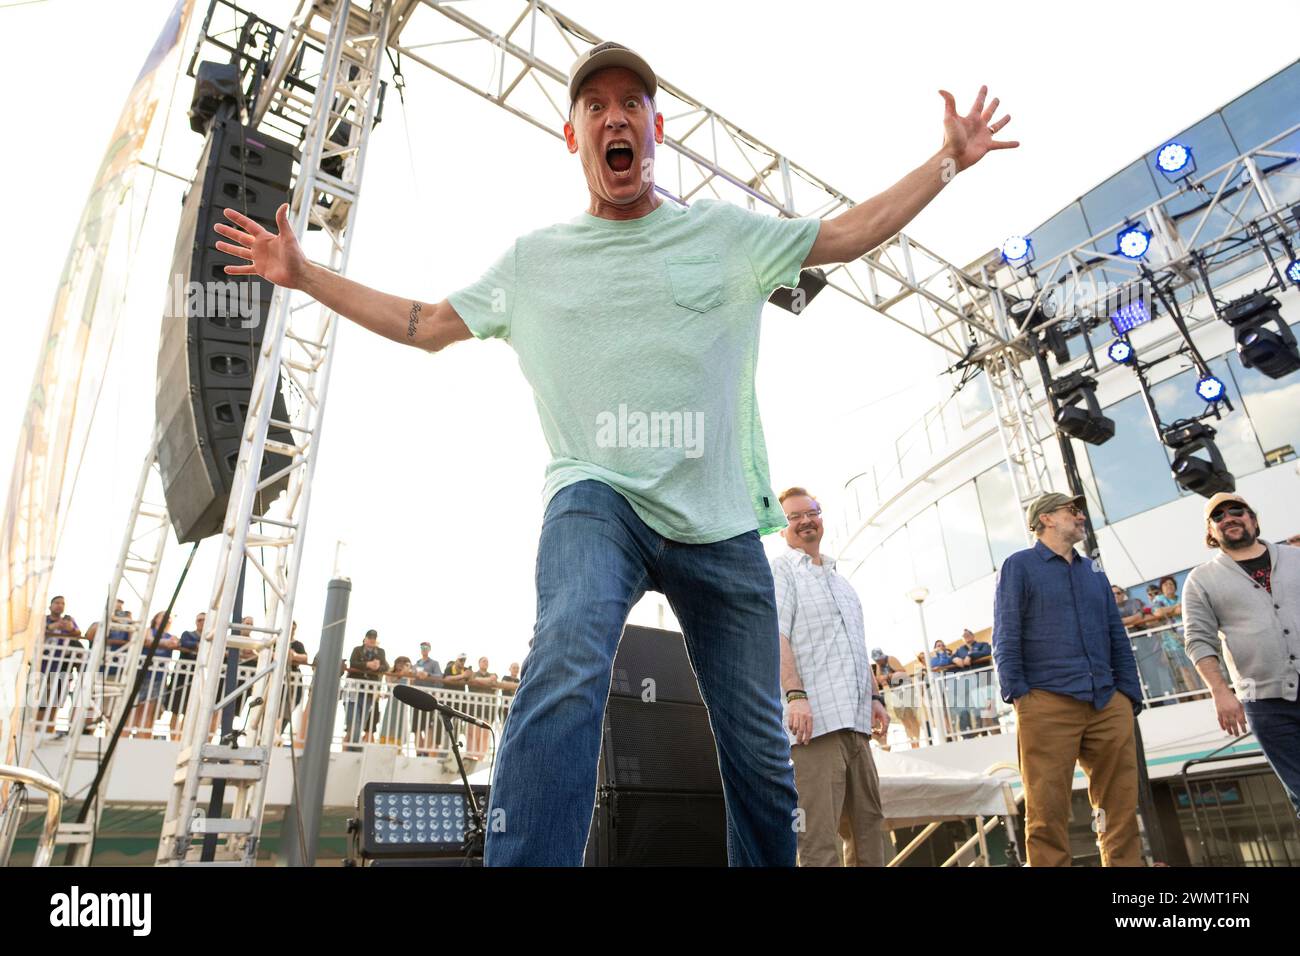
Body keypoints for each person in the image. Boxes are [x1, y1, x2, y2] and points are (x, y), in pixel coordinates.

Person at [213, 36, 1017, 865]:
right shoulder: (536, 262)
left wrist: (946, 163)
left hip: (721, 523)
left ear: (655, 127)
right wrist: (309, 278)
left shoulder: (722, 234)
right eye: (595, 107)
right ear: (574, 137)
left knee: (761, 765)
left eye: (630, 104)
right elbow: (424, 325)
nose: (614, 118)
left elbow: (847, 235)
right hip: (597, 499)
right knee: (565, 650)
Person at [992, 492, 1144, 867]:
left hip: (1108, 702)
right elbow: (1005, 634)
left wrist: (1129, 695)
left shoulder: (1093, 571)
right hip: (1046, 701)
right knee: (1047, 811)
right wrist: (1020, 696)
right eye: (1071, 510)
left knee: (1119, 808)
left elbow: (1115, 633)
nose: (1080, 516)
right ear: (1045, 519)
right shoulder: (1020, 565)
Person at [773, 488, 888, 867]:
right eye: (794, 516)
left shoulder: (842, 583)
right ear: (781, 527)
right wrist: (795, 696)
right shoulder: (782, 571)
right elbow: (777, 637)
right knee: (819, 838)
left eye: (812, 512)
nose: (806, 520)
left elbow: (858, 647)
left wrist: (875, 699)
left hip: (856, 726)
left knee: (870, 830)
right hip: (815, 725)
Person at [1182, 493, 1300, 818]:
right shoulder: (1200, 580)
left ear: (1254, 519)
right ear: (1210, 532)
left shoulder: (1295, 558)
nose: (1229, 517)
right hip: (1265, 702)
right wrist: (1220, 692)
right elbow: (1198, 640)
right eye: (1218, 516)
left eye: (1237, 511)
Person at [37, 595, 83, 728]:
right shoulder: (43, 620)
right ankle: (36, 728)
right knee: (40, 701)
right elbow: (36, 633)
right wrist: (52, 627)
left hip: (63, 665)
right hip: (43, 666)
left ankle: (49, 729)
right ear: (50, 605)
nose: (60, 605)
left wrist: (70, 629)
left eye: (62, 603)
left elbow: (78, 634)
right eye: (57, 602)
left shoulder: (69, 620)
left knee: (55, 701)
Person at [1151, 576, 1199, 695]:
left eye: (1171, 584)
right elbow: (1158, 612)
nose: (1169, 586)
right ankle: (1198, 697)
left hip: (1191, 638)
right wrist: (1174, 608)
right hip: (1173, 643)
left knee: (1198, 668)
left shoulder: (1182, 597)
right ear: (1162, 588)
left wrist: (1168, 611)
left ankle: (1207, 694)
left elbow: (1183, 610)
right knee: (1185, 671)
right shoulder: (1159, 599)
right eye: (1165, 585)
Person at [344, 630, 389, 747]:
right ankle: (355, 746)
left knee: (362, 719)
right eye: (370, 637)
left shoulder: (380, 652)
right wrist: (367, 665)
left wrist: (377, 667)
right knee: (352, 717)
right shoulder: (357, 650)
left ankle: (353, 745)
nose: (372, 639)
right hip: (353, 687)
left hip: (369, 689)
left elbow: (386, 667)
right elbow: (353, 663)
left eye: (374, 637)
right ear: (365, 638)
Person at [871, 649, 921, 749]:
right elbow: (879, 679)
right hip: (894, 692)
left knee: (911, 716)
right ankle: (912, 741)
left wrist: (888, 676)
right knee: (903, 717)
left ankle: (917, 741)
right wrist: (885, 678)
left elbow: (902, 672)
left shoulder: (890, 659)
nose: (878, 662)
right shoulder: (878, 665)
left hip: (905, 690)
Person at [168, 612, 205, 741]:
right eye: (199, 620)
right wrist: (196, 646)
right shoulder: (187, 634)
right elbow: (184, 643)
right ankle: (173, 737)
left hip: (197, 676)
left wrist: (194, 647)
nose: (201, 622)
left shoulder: (209, 636)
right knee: (175, 709)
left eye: (204, 620)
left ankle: (183, 737)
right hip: (182, 675)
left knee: (189, 710)